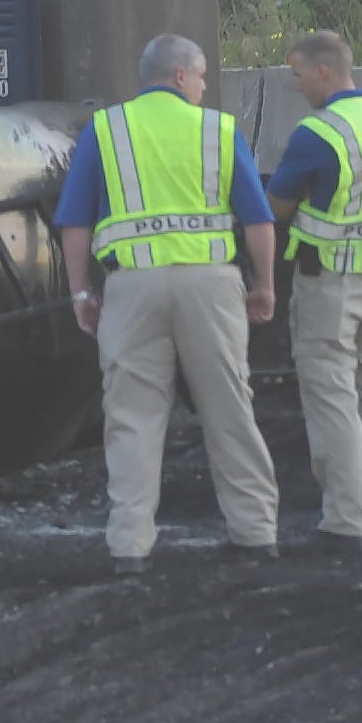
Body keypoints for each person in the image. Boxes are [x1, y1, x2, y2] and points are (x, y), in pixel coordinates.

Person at [55, 34, 284, 576]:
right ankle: (255, 535)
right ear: (181, 76)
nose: (205, 87)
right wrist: (265, 285)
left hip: (132, 288)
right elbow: (257, 220)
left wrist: (81, 291)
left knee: (132, 416)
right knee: (229, 407)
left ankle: (130, 547)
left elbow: (74, 222)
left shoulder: (105, 130)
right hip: (211, 287)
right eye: (202, 77)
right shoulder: (219, 131)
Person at [267, 31, 362, 554]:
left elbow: (278, 209)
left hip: (327, 282)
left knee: (333, 398)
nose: (295, 86)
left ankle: (344, 522)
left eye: (297, 75)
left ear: (324, 72)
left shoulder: (318, 133)